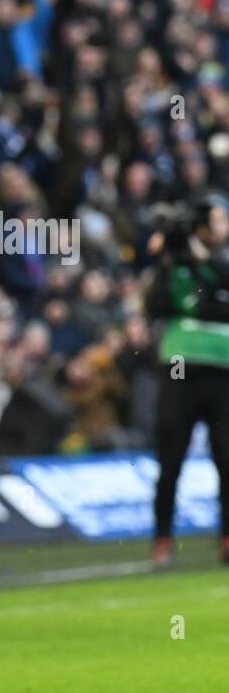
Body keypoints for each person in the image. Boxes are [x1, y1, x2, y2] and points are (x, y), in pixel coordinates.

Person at [144, 193, 229, 568]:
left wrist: (201, 271)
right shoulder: (173, 264)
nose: (224, 225)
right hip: (180, 368)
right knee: (171, 458)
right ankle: (162, 540)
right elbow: (158, 304)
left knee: (227, 459)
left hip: (222, 370)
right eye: (218, 219)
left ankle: (226, 537)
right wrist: (171, 258)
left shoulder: (217, 264)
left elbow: (207, 301)